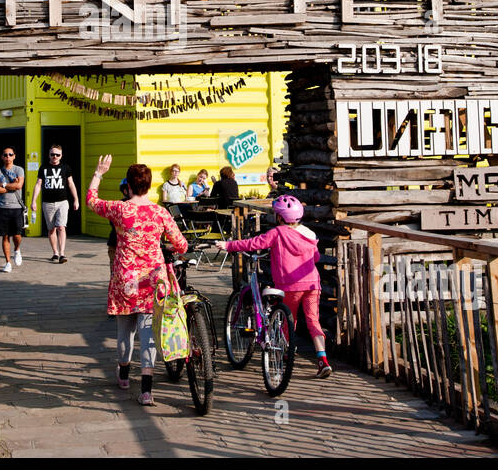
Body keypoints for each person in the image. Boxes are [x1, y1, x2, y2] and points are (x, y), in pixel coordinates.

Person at [87, 155, 188, 406]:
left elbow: (91, 200)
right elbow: (181, 244)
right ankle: (146, 390)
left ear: (129, 186)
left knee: (125, 332)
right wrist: (174, 249)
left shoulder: (120, 209)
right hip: (154, 279)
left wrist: (99, 173)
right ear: (150, 185)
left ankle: (123, 374)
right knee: (148, 334)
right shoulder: (160, 212)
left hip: (125, 277)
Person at [214, 194, 332, 378]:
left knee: (287, 320)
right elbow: (315, 258)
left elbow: (253, 244)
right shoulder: (309, 234)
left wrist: (228, 246)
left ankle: (285, 353)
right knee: (313, 321)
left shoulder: (276, 233)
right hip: (312, 284)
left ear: (279, 217)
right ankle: (322, 360)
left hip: (290, 285)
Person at [30, 144, 80, 263]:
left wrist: (76, 199)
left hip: (62, 202)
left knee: (61, 227)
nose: (55, 157)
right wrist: (33, 201)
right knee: (51, 229)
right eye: (52, 154)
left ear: (61, 156)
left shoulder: (66, 168)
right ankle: (55, 253)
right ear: (49, 155)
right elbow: (38, 184)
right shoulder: (43, 168)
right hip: (47, 203)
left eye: (57, 155)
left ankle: (62, 253)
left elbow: (71, 184)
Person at [0, 147, 26, 272]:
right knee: (5, 236)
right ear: (2, 157)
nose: (8, 157)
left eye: (10, 154)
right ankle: (8, 262)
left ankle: (17, 250)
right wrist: (11, 186)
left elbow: (19, 185)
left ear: (14, 156)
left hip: (16, 207)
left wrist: (4, 185)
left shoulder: (19, 170)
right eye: (5, 155)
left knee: (17, 235)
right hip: (2, 207)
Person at [107, 178, 131, 268]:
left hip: (129, 246)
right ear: (125, 191)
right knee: (115, 270)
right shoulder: (118, 206)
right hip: (116, 244)